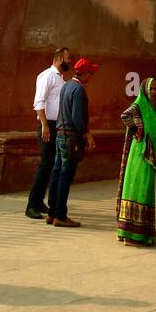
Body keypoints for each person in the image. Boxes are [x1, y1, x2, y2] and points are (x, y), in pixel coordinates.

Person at [47, 57, 98, 228]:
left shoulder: (66, 86)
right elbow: (77, 117)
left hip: (60, 134)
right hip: (71, 137)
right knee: (65, 176)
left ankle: (52, 212)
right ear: (83, 74)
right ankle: (60, 215)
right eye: (90, 73)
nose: (91, 77)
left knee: (57, 173)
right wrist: (87, 134)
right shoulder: (78, 90)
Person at [25, 47, 71, 219]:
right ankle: (31, 205)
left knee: (51, 165)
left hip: (56, 125)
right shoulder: (47, 76)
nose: (70, 61)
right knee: (45, 164)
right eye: (68, 58)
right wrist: (44, 125)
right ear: (59, 59)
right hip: (47, 125)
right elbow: (39, 102)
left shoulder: (61, 79)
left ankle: (38, 202)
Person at [117, 76, 156, 246]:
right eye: (152, 89)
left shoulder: (152, 107)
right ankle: (131, 235)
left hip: (150, 156)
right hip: (140, 154)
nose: (155, 92)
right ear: (145, 90)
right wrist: (138, 129)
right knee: (139, 188)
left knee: (147, 189)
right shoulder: (138, 106)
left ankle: (143, 235)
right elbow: (124, 116)